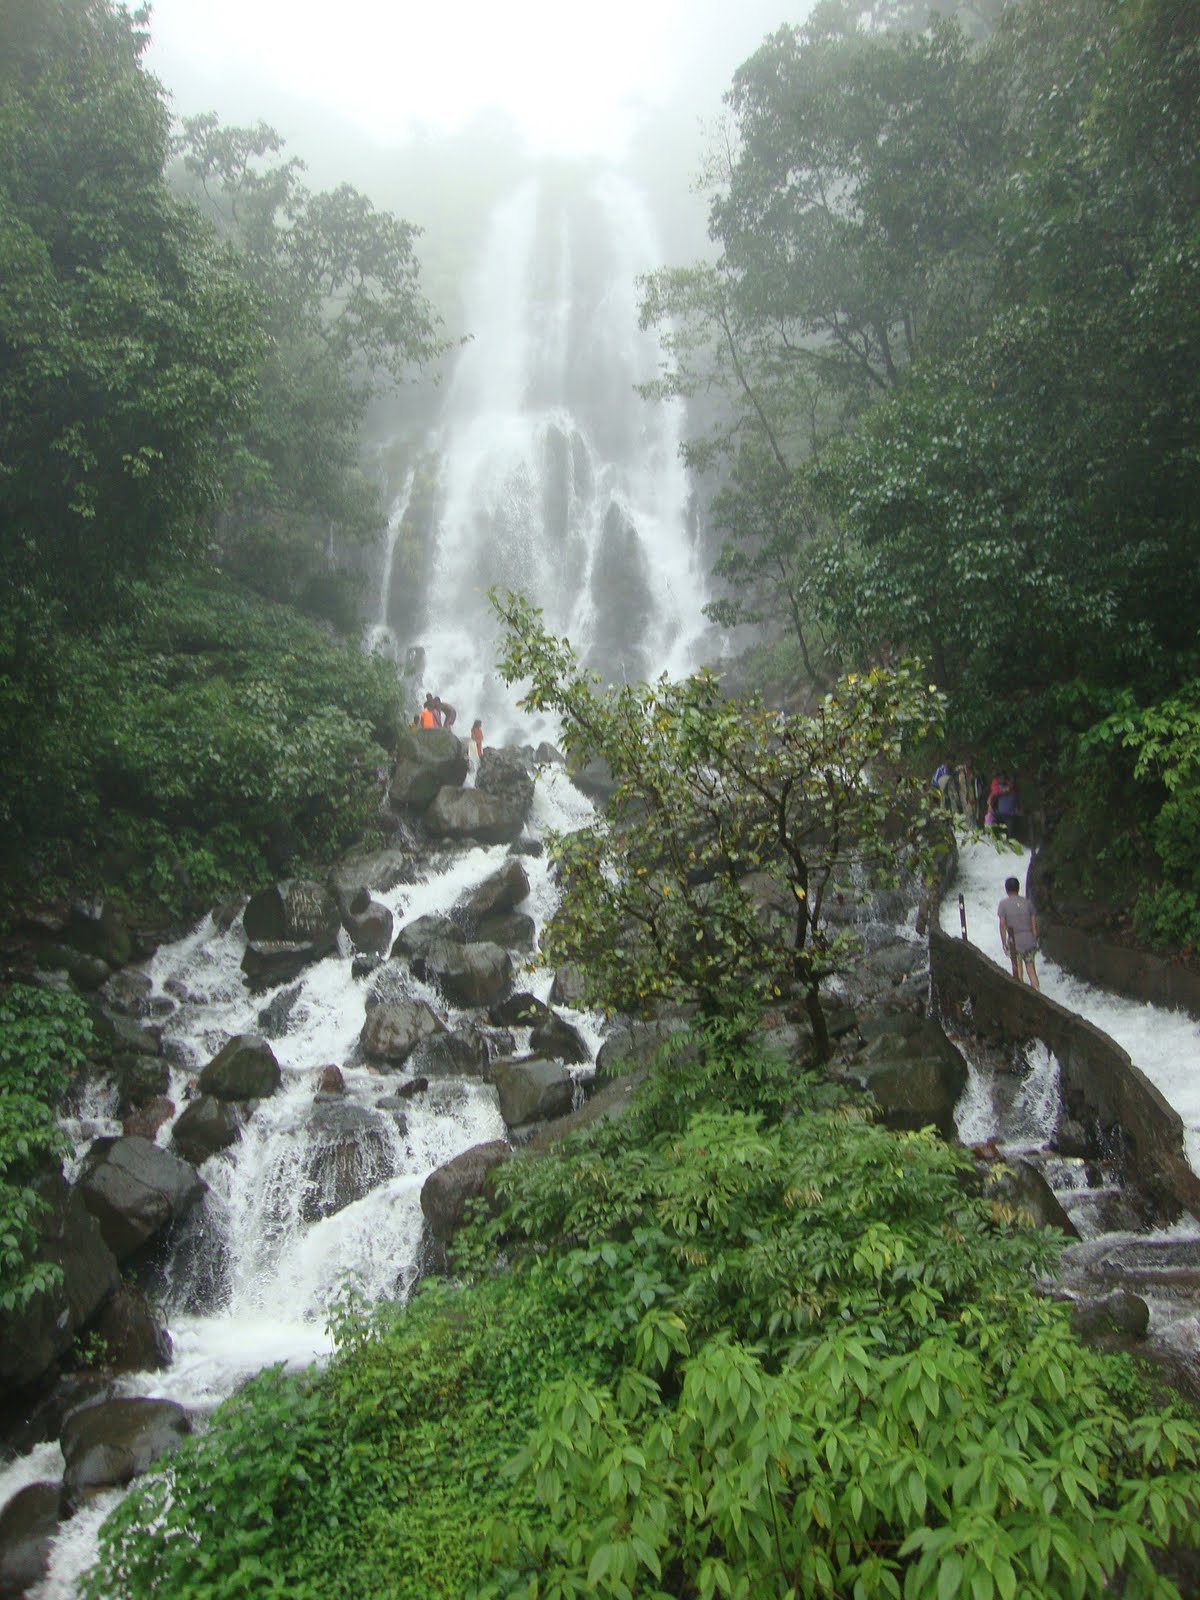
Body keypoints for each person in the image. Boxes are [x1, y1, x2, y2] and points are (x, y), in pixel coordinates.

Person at [997, 875, 1040, 990]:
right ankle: (1038, 993)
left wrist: (1004, 943)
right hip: (1029, 940)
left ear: (1006, 889)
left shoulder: (1003, 904)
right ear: (1018, 888)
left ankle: (1022, 995)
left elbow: (1002, 924)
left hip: (1015, 942)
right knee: (1031, 969)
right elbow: (1034, 926)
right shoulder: (1028, 903)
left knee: (1018, 971)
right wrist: (1034, 938)